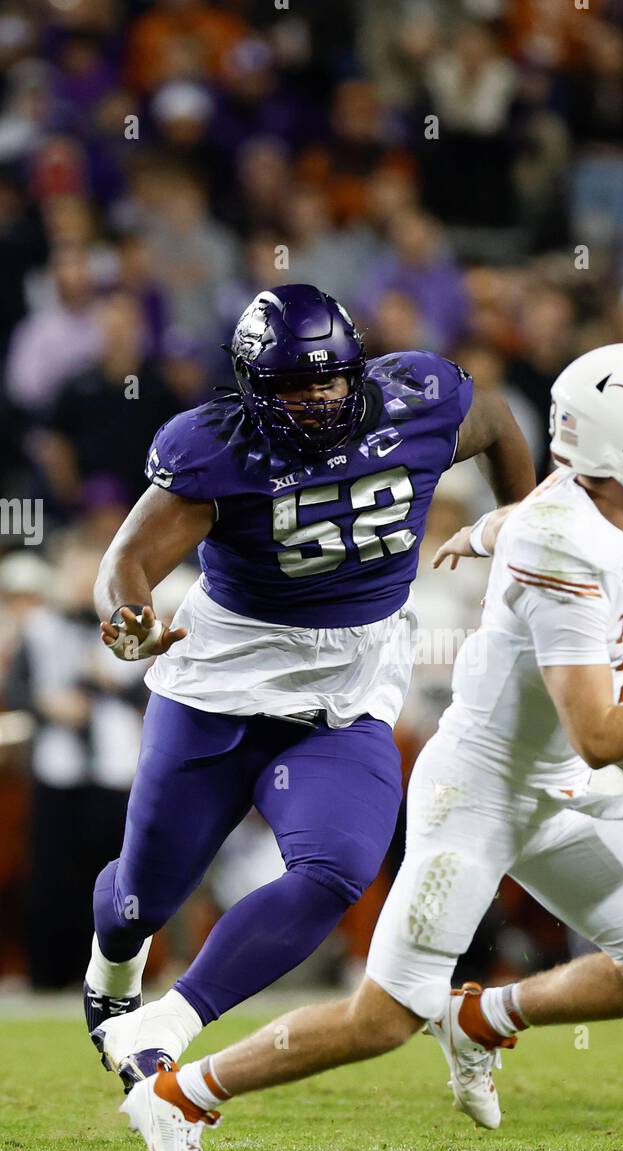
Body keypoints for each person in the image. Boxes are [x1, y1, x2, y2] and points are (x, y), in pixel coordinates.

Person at [114, 342, 623, 1151]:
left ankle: (481, 1019)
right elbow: (598, 732)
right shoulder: (567, 547)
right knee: (383, 1019)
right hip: (480, 794)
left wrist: (481, 530)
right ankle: (178, 1097)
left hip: (558, 791)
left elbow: (530, 512)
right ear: (621, 449)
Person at [87, 281, 534, 1099]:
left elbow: (499, 421)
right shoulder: (218, 448)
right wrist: (128, 617)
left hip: (344, 694)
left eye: (329, 378)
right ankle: (113, 970)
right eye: (295, 384)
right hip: (220, 689)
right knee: (140, 902)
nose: (318, 397)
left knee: (336, 869)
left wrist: (524, 527)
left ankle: (166, 1024)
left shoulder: (416, 402)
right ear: (255, 388)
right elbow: (128, 560)